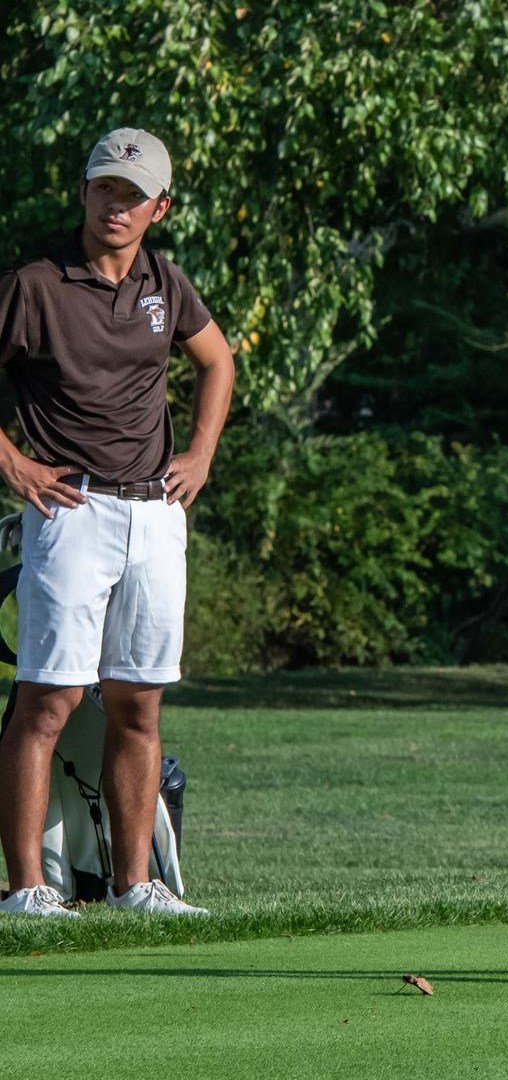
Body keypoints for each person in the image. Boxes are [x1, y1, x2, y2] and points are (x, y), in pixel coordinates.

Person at [0, 128, 234, 917]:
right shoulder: (35, 283)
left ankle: (138, 885)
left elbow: (218, 361)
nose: (116, 206)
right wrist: (15, 465)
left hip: (156, 515)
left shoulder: (167, 283)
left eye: (133, 196)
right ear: (84, 192)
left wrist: (200, 455)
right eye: (105, 189)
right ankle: (28, 889)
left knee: (138, 704)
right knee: (49, 702)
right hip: (72, 511)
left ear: (158, 208)